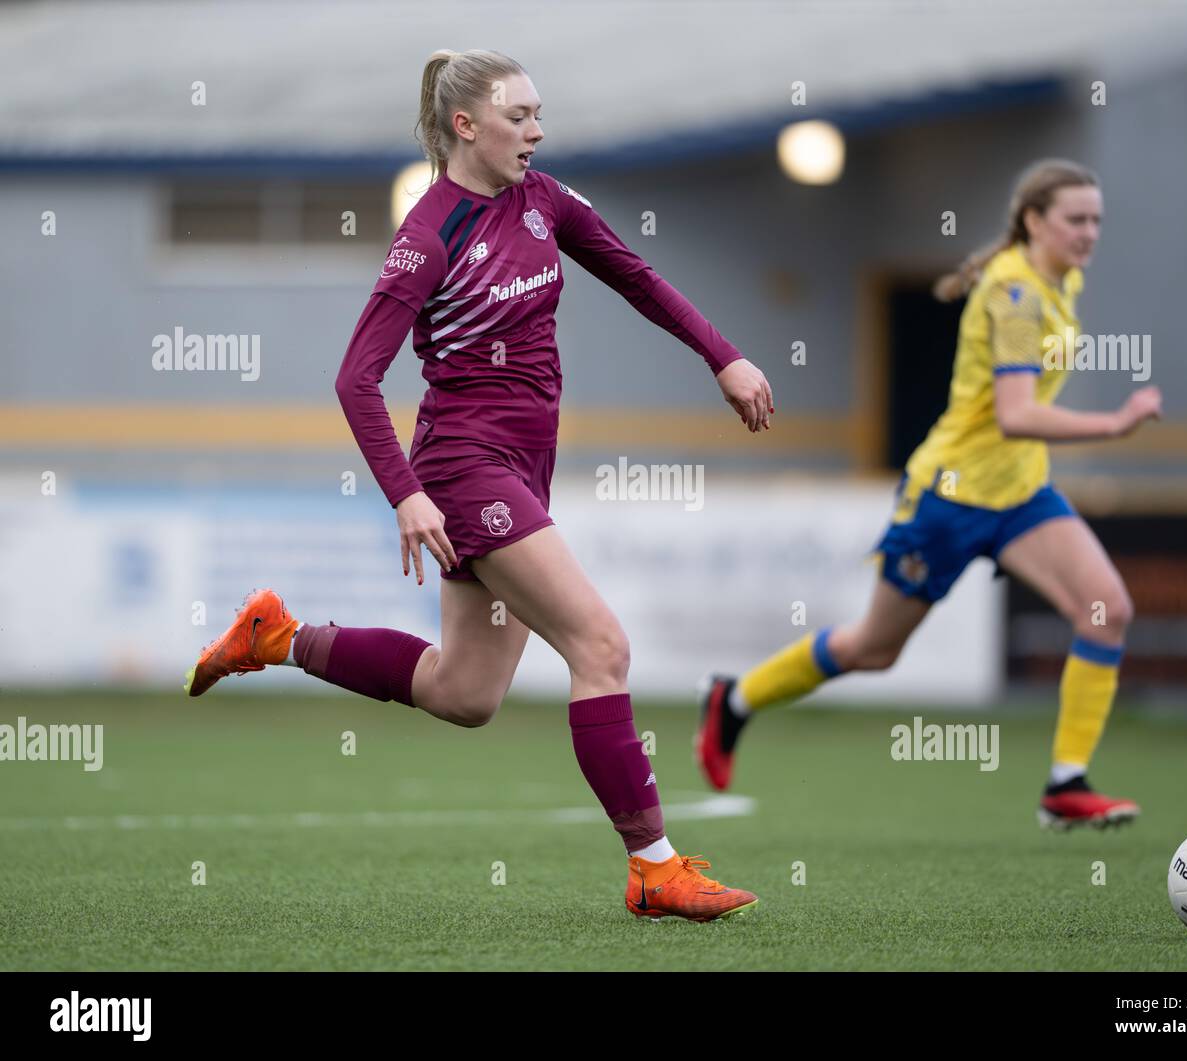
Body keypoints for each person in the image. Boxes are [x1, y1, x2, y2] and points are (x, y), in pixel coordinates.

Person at [185, 49, 774, 921]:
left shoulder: (546, 201)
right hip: (464, 468)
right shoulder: (429, 234)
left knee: (463, 693)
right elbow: (355, 378)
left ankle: (279, 638)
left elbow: (637, 277)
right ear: (466, 126)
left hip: (522, 464)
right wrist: (408, 492)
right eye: (519, 117)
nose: (536, 131)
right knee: (601, 647)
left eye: (541, 115)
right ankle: (653, 868)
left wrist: (722, 353)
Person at [696, 159, 1162, 830]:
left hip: (1020, 492)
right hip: (950, 496)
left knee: (1107, 608)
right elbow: (1016, 413)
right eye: (1075, 219)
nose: (1090, 233)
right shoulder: (1017, 298)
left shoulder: (1061, 280)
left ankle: (1066, 782)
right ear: (1034, 221)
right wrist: (1114, 423)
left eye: (1096, 220)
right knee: (873, 650)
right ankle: (734, 699)